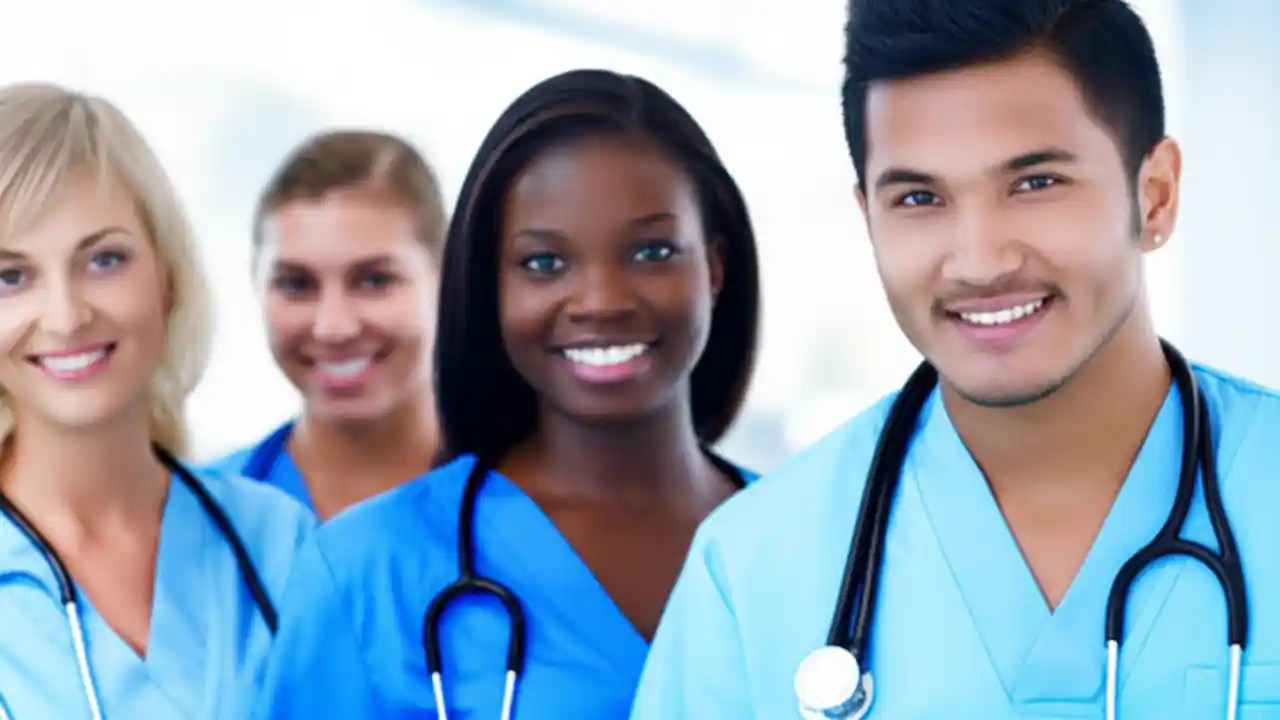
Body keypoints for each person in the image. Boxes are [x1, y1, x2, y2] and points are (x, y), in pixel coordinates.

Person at [630, 1, 1280, 717]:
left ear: (1153, 197)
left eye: (1035, 183)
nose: (979, 261)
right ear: (868, 220)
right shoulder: (750, 569)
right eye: (918, 198)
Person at [249, 68, 762, 719]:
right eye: (543, 263)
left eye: (652, 250)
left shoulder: (816, 544)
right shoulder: (365, 571)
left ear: (714, 267)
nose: (601, 301)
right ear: (489, 287)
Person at [0, 83, 312, 719]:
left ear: (166, 275)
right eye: (11, 276)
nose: (65, 316)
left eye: (104, 259)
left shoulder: (277, 541)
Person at [205, 131, 447, 520]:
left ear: (448, 276)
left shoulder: (534, 505)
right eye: (296, 285)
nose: (333, 327)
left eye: (375, 281)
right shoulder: (192, 518)